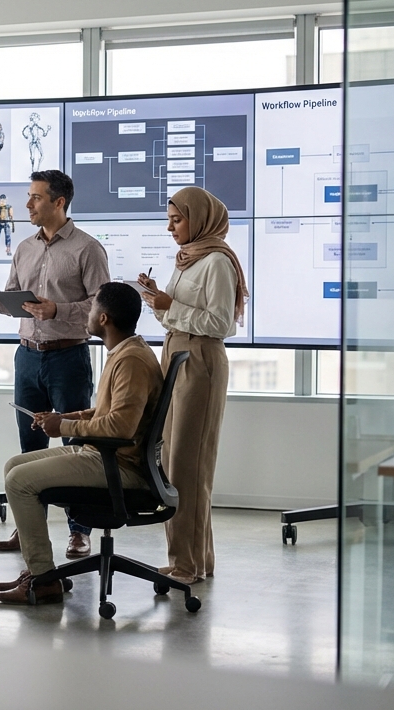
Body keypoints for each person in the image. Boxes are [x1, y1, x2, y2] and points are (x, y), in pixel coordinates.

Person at [0, 170, 110, 560]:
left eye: (36, 197)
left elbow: (101, 306)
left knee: (76, 447)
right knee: (30, 446)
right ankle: (28, 529)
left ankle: (79, 531)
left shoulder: (88, 249)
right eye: (29, 196)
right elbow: (13, 304)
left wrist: (59, 310)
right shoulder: (24, 248)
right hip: (27, 357)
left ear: (59, 202)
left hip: (69, 357)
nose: (27, 204)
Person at [0, 282, 162, 604]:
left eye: (93, 307)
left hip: (119, 466)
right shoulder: (126, 351)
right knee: (14, 465)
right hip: (106, 456)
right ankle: (40, 572)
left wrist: (65, 427)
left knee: (19, 481)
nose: (88, 313)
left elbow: (121, 426)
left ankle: (43, 578)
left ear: (103, 318)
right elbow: (109, 411)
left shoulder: (131, 361)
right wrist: (67, 416)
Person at [137, 186, 247, 586]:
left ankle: (188, 564)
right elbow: (176, 316)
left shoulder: (217, 261)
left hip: (200, 360)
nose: (170, 228)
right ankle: (194, 560)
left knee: (189, 467)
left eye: (177, 219)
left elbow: (221, 324)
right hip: (176, 353)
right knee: (172, 464)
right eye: (169, 220)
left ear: (199, 219)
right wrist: (157, 300)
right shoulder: (188, 258)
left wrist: (171, 307)